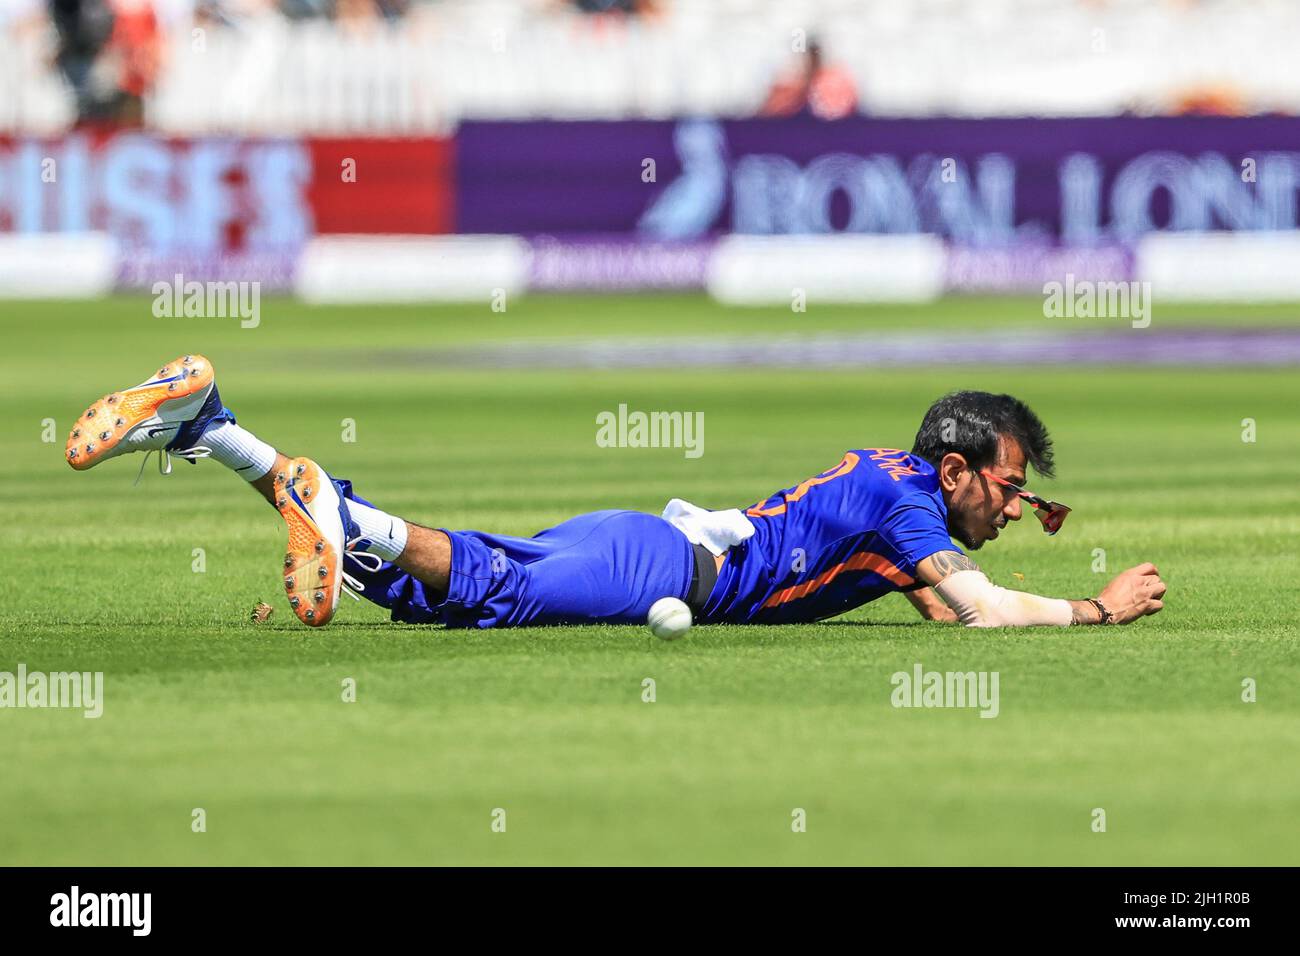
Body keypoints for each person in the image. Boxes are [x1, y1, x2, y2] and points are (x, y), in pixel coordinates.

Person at [66, 354, 1167, 630]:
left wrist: (960, 591)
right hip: (665, 566)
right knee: (483, 586)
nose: (1013, 508)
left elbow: (935, 599)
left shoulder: (888, 488)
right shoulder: (911, 501)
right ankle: (319, 494)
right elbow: (974, 605)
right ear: (960, 466)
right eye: (1011, 489)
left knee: (423, 593)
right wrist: (1093, 609)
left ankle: (216, 430)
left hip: (652, 539)